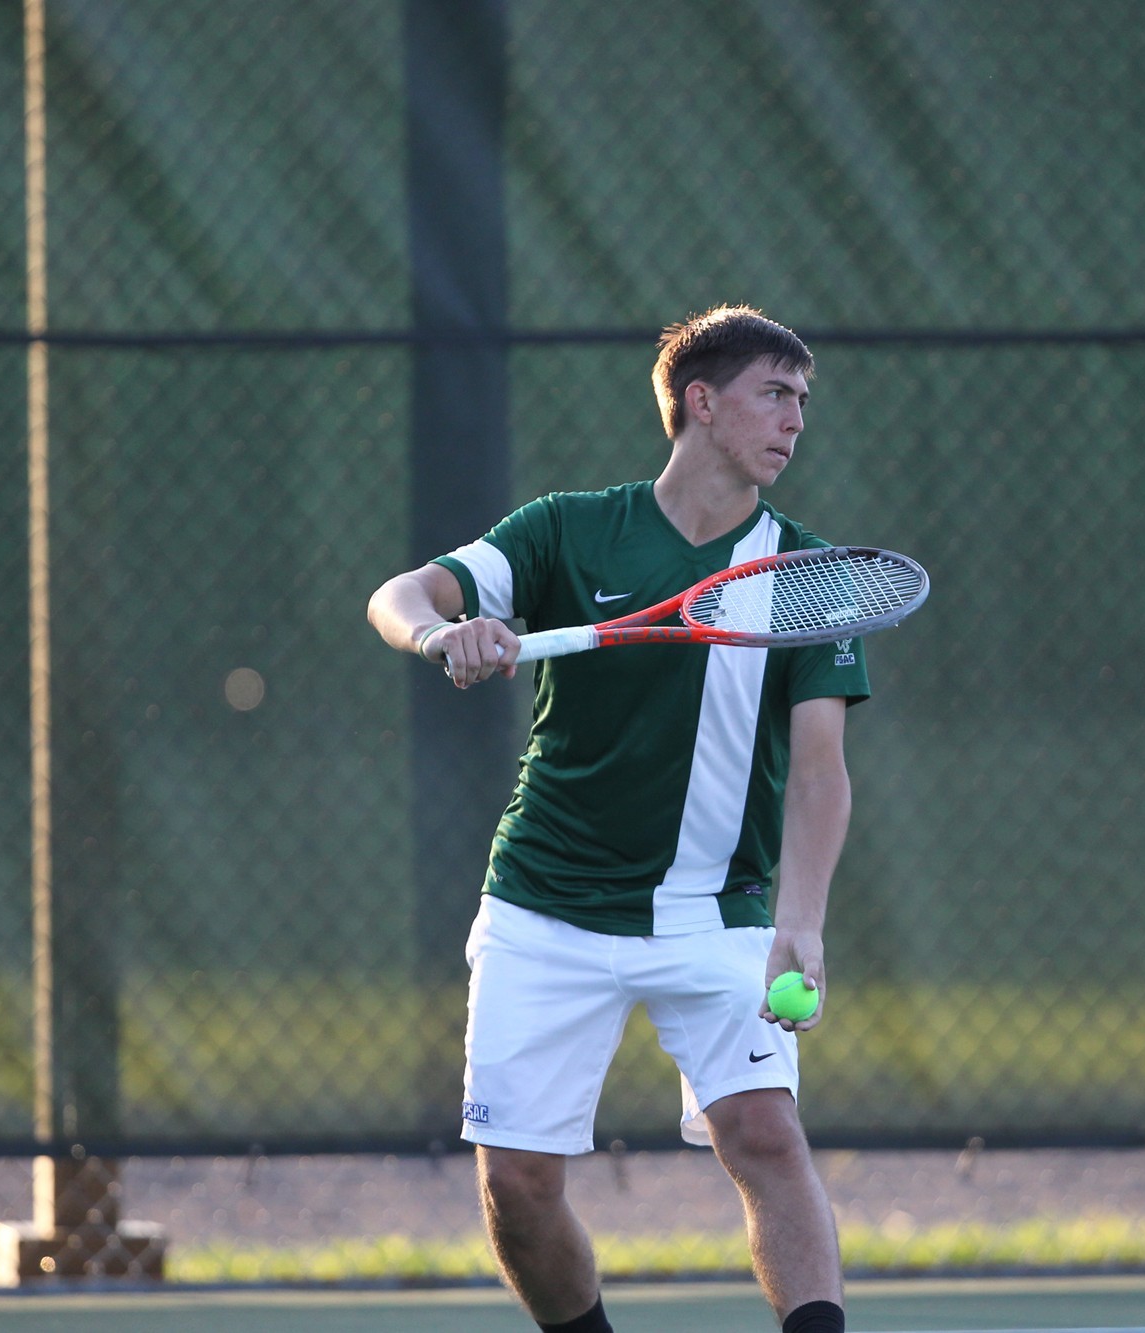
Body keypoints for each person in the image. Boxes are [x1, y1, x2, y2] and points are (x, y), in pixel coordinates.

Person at [366, 305, 865, 1333]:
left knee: (765, 1135)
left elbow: (819, 773)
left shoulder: (803, 579)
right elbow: (401, 593)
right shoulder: (564, 529)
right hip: (545, 908)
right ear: (700, 401)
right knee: (517, 1190)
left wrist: (801, 919)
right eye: (775, 393)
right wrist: (442, 635)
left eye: (801, 400)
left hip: (717, 912)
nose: (794, 419)